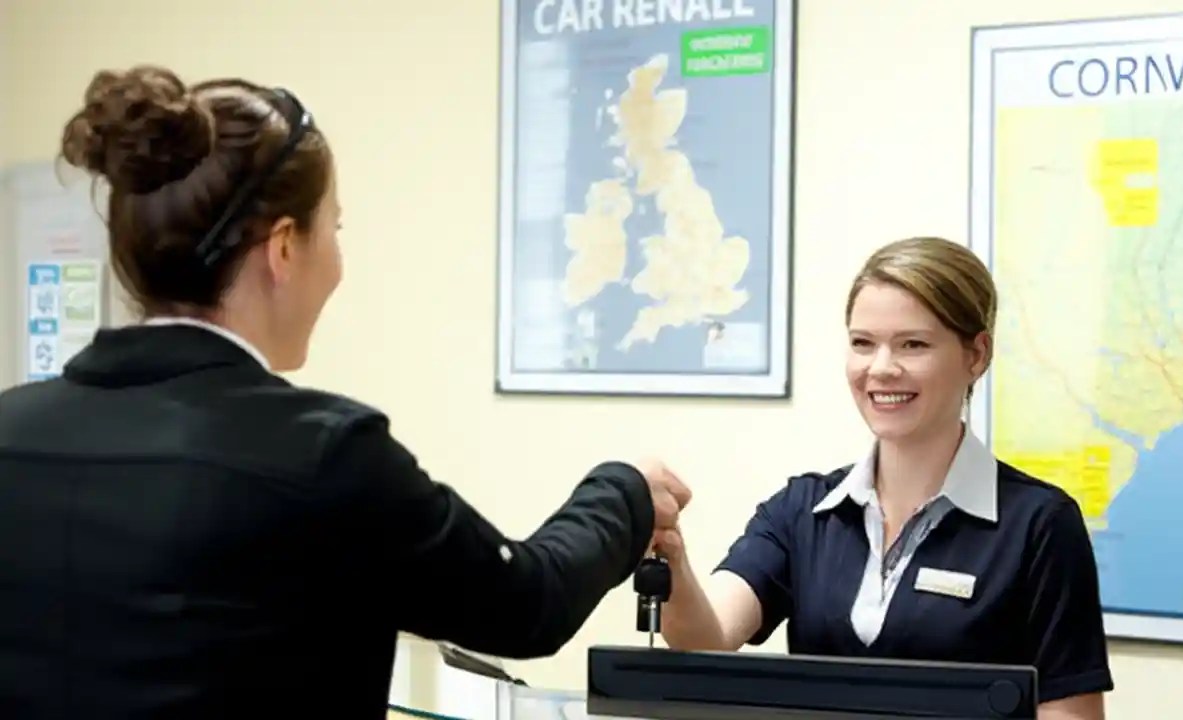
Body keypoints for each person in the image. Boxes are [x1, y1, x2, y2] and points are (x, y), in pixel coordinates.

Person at [0, 66, 691, 720]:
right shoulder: (320, 453)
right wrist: (623, 493)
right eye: (334, 227)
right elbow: (526, 603)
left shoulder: (12, 430)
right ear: (283, 249)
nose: (338, 260)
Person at [656, 237, 1114, 719]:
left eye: (912, 344)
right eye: (862, 343)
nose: (880, 369)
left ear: (976, 355)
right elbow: (705, 639)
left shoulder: (1039, 526)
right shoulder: (803, 511)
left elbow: (1071, 716)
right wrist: (670, 555)